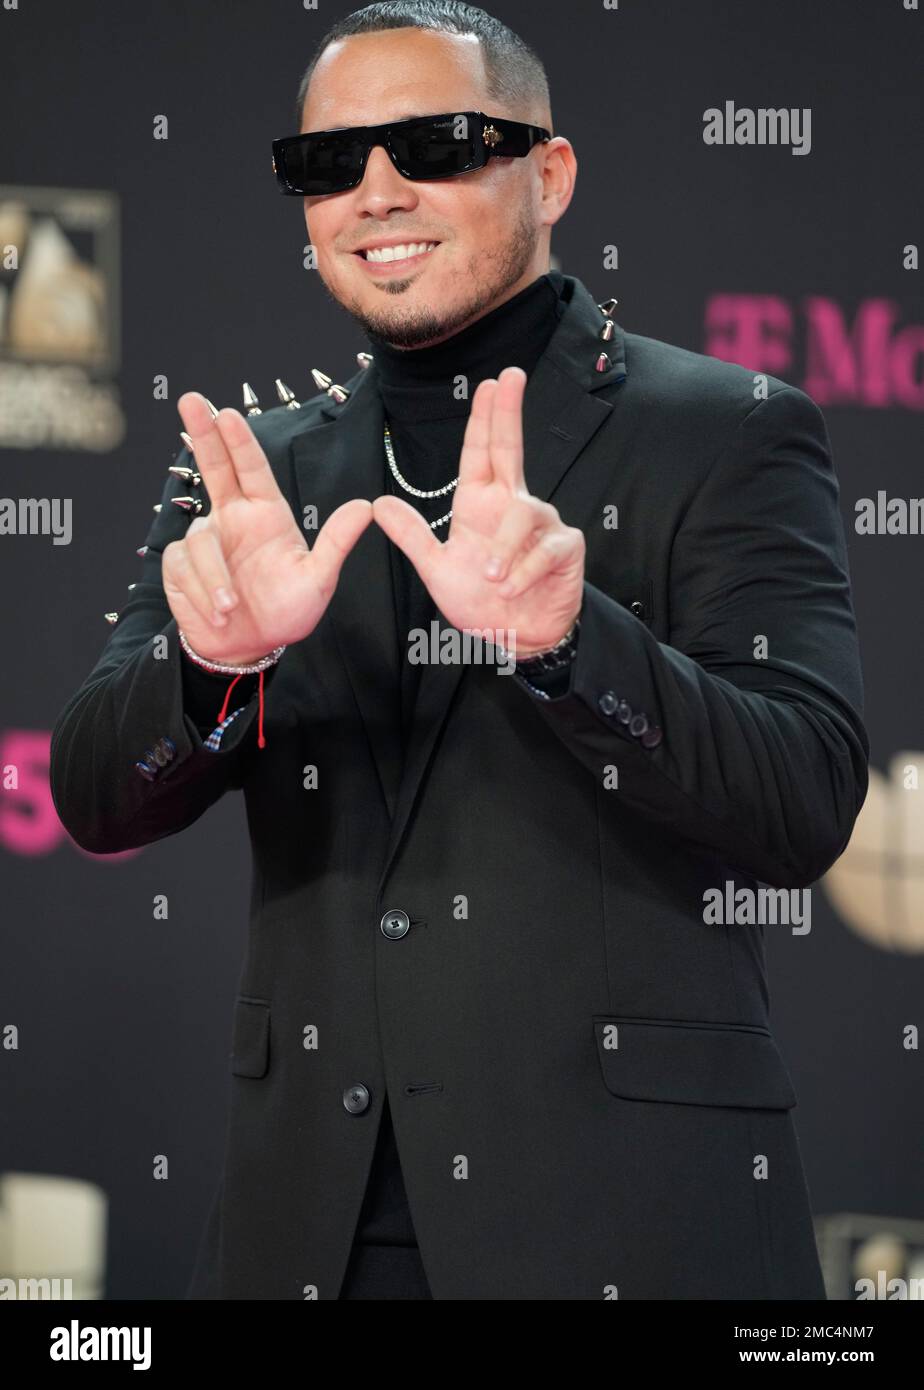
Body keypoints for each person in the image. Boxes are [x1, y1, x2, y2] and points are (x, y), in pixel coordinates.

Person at [50, 1, 869, 1300]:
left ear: (548, 174)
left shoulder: (729, 429)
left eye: (434, 143)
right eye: (330, 162)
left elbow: (809, 798)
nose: (377, 190)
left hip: (629, 1222)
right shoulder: (254, 470)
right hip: (306, 1228)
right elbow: (94, 797)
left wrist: (568, 644)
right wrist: (211, 668)